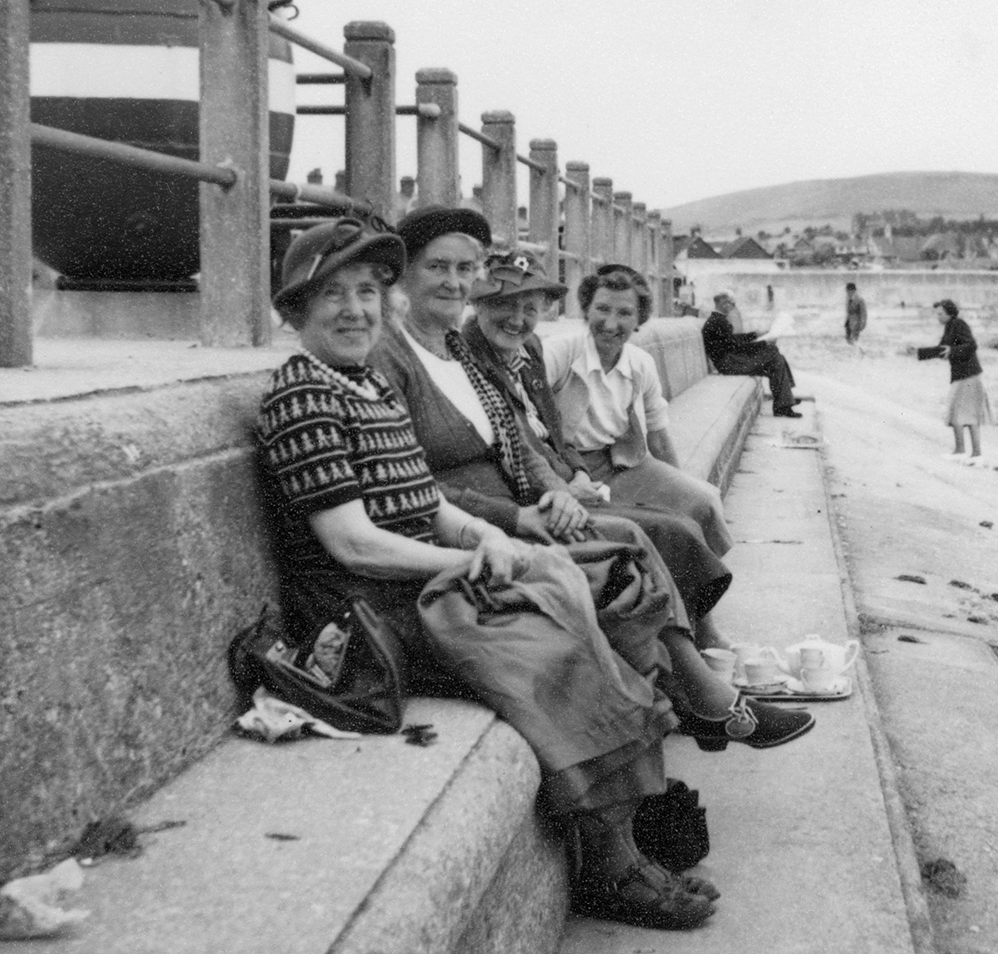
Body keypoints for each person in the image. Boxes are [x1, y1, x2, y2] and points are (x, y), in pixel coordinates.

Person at [257, 217, 714, 929]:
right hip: (373, 609)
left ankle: (632, 820)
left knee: (614, 581)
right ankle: (611, 865)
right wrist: (471, 558)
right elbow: (352, 546)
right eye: (332, 296)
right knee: (557, 639)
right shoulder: (302, 396)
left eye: (366, 292)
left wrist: (482, 534)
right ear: (295, 312)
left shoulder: (366, 382)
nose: (354, 310)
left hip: (427, 580)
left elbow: (428, 502)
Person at [372, 211, 812, 753]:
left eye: (465, 269)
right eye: (437, 267)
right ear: (403, 274)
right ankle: (707, 703)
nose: (454, 282)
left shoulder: (454, 350)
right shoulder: (393, 358)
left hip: (521, 505)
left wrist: (555, 491)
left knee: (653, 534)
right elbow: (409, 481)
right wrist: (521, 513)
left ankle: (699, 695)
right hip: (469, 530)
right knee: (628, 546)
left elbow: (521, 441)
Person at [916, 299, 995, 458]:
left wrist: (952, 351)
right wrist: (918, 352)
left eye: (940, 314)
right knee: (969, 414)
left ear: (949, 314)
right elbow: (941, 350)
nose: (938, 317)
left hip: (967, 375)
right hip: (967, 374)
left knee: (957, 412)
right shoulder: (951, 326)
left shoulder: (958, 324)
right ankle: (975, 453)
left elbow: (971, 345)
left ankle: (961, 451)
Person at [701, 291, 801, 418]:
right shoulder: (718, 322)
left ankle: (785, 400)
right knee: (774, 356)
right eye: (732, 303)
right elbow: (736, 347)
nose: (732, 306)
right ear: (723, 303)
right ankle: (784, 402)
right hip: (729, 364)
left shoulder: (717, 320)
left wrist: (754, 335)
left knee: (775, 358)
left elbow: (733, 341)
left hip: (729, 361)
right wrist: (763, 343)